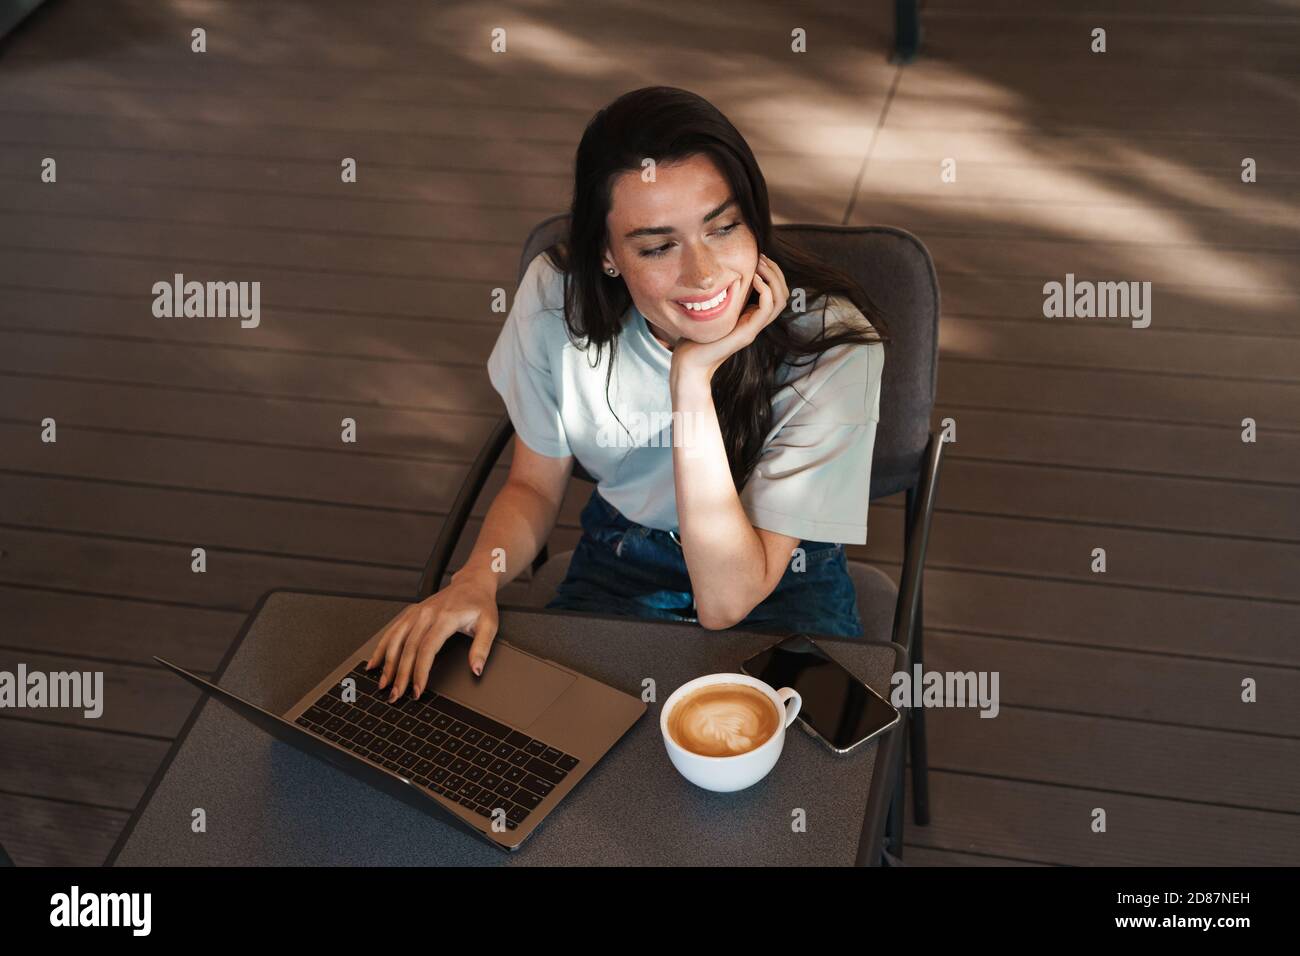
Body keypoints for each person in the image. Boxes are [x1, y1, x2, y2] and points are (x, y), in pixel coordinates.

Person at [369, 86, 888, 701]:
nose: (702, 274)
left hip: (780, 576)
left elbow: (727, 600)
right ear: (608, 255)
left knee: (812, 775)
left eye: (723, 227)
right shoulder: (554, 302)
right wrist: (477, 578)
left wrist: (691, 379)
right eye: (657, 246)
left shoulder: (831, 343)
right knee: (552, 742)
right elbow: (534, 484)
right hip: (622, 559)